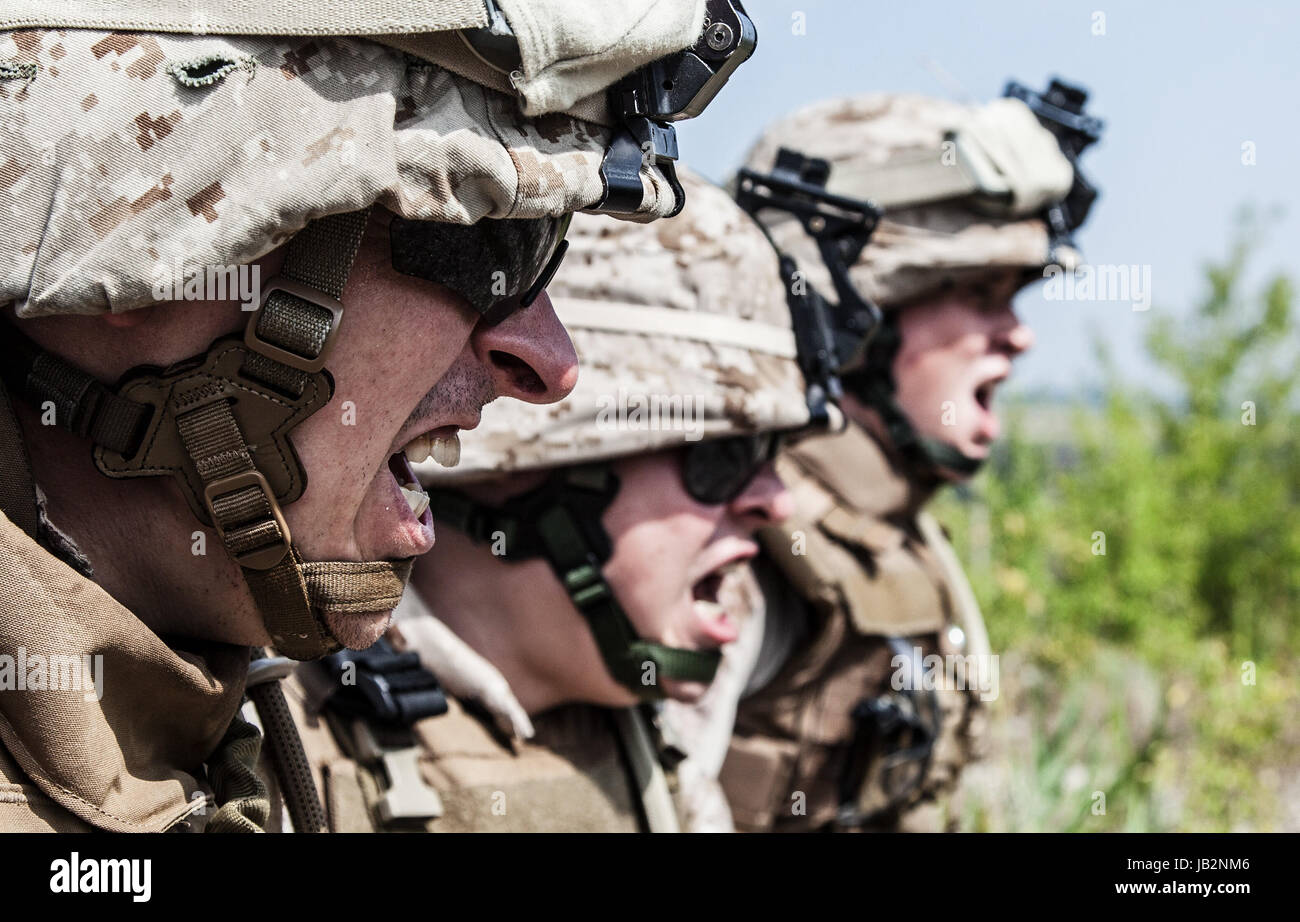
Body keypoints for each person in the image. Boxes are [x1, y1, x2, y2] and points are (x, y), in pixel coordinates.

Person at [0, 2, 741, 832]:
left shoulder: (204, 736)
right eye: (485, 246)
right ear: (146, 231)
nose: (551, 363)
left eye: (548, 249)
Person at [278, 169, 827, 832]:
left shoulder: (675, 738)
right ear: (532, 460)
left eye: (770, 456)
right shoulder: (275, 733)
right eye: (724, 456)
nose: (775, 502)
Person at [714, 82, 1104, 831]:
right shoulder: (744, 545)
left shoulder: (891, 522)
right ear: (852, 312)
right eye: (984, 293)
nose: (1017, 333)